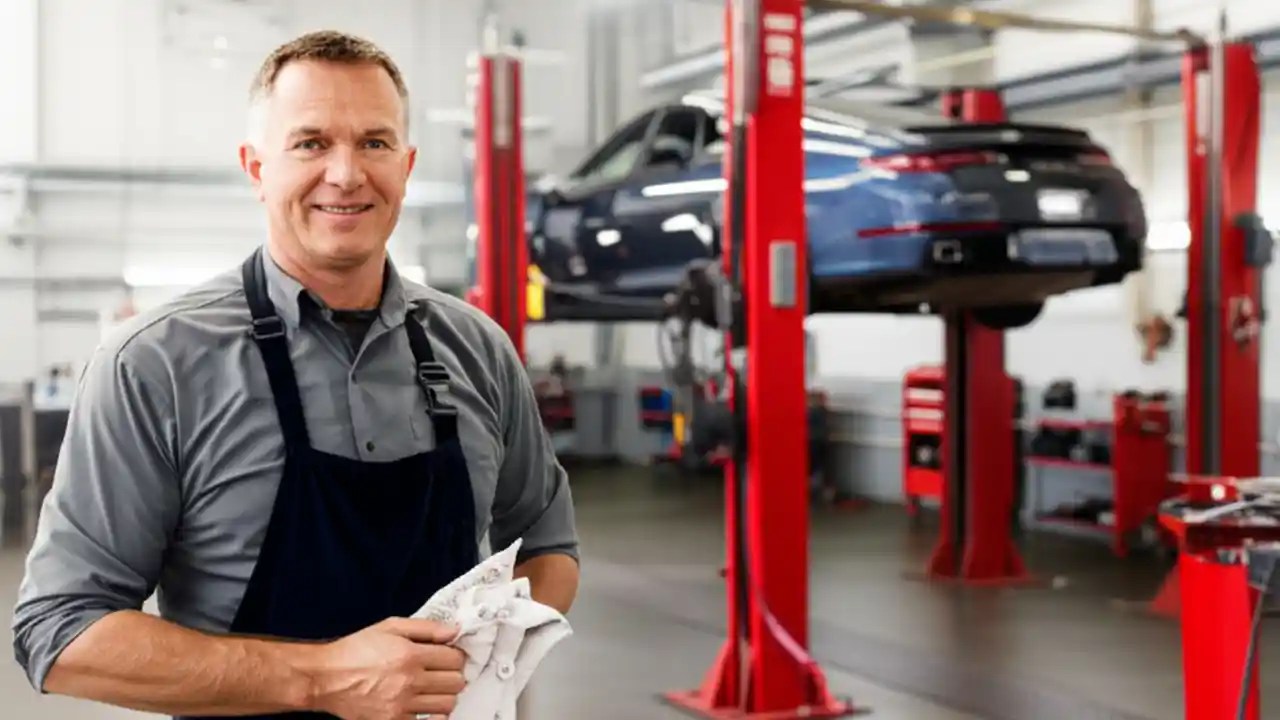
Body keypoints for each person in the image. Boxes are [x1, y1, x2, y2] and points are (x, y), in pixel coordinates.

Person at [11, 30, 579, 720]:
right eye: (311, 143)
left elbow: (548, 544)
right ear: (257, 168)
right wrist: (322, 678)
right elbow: (61, 630)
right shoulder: (154, 363)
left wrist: (488, 669)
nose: (346, 173)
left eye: (373, 142)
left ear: (406, 163)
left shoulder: (477, 348)